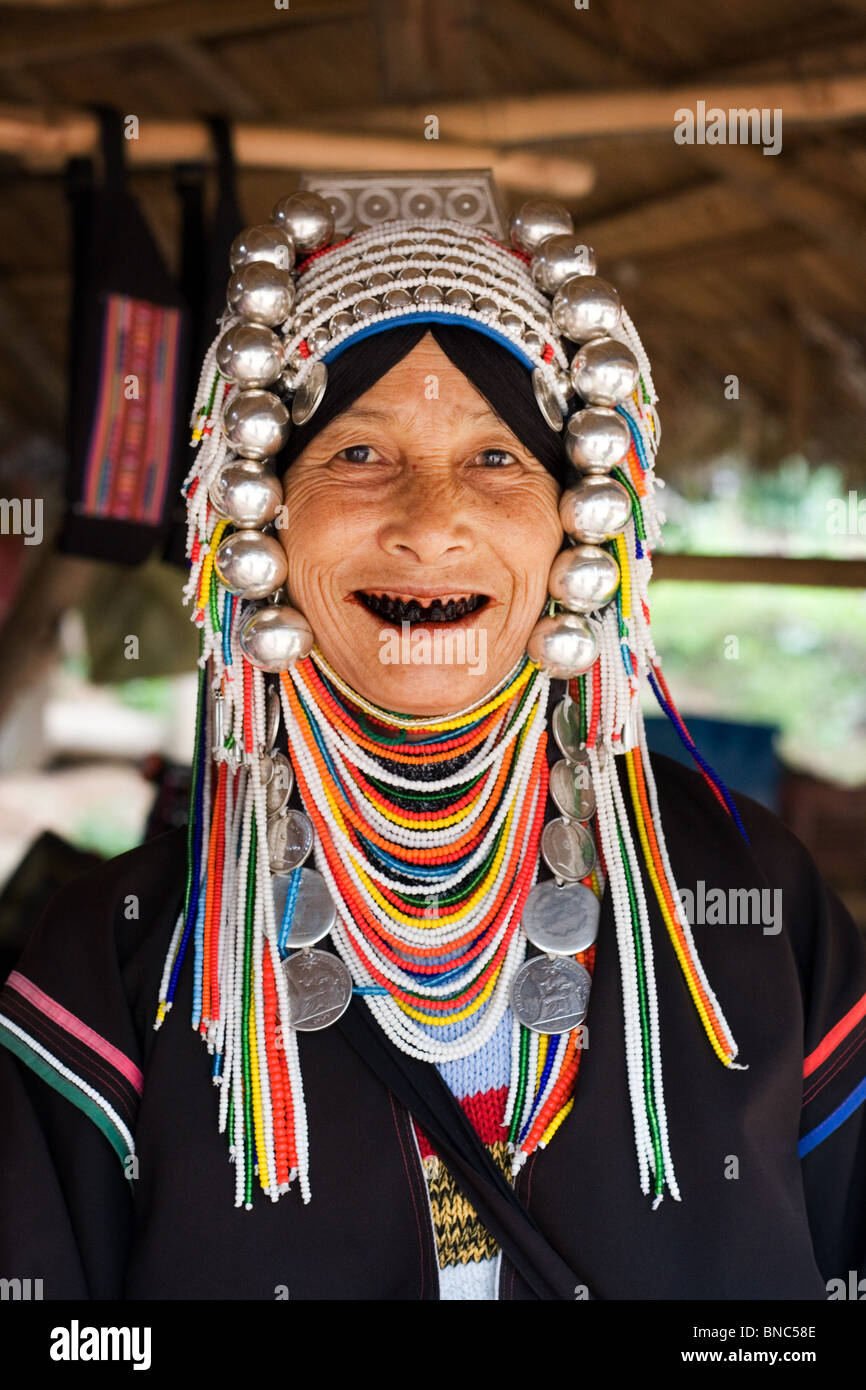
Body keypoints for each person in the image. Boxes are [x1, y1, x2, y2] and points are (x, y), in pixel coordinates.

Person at [1, 180, 864, 1301]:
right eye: (356, 454)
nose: (426, 521)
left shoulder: (749, 911)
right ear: (258, 512)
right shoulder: (120, 970)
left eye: (497, 458)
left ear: (579, 516)